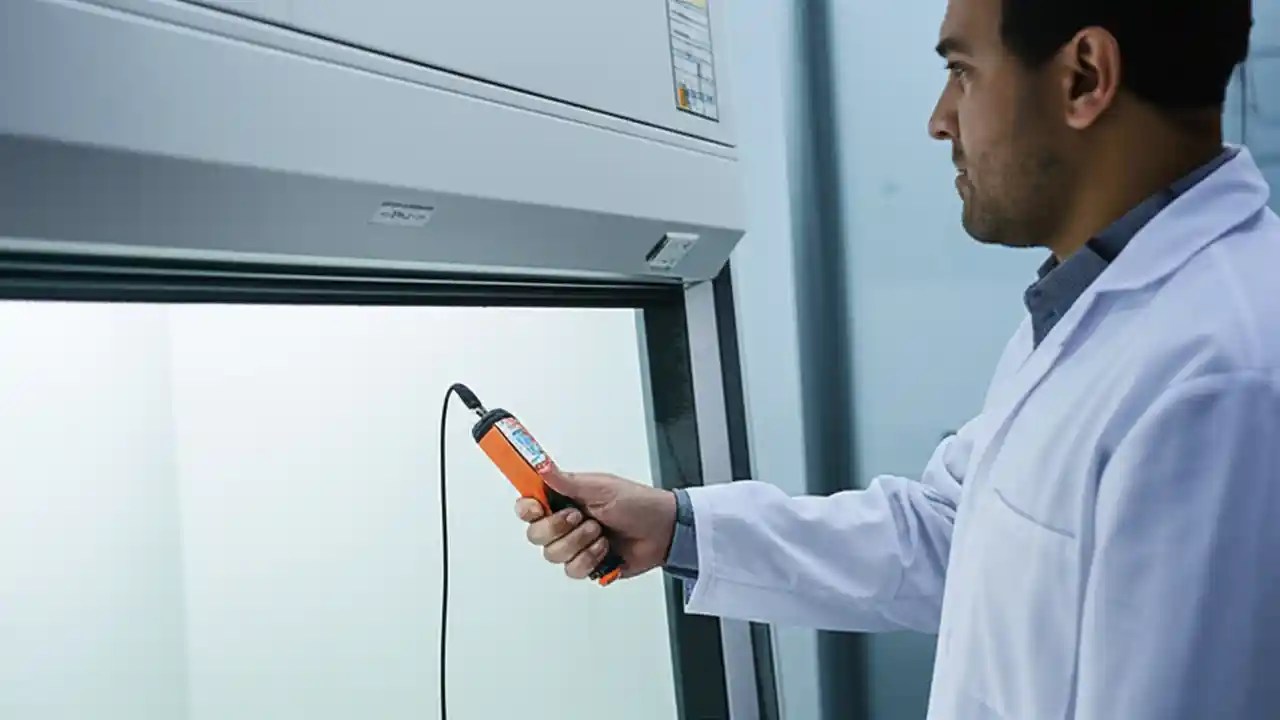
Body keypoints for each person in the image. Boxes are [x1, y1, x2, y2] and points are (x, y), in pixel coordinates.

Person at [516, 0, 1280, 717]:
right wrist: (676, 526)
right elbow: (949, 531)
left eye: (963, 71)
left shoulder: (1223, 379)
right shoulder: (1095, 303)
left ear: (1083, 78)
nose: (940, 120)